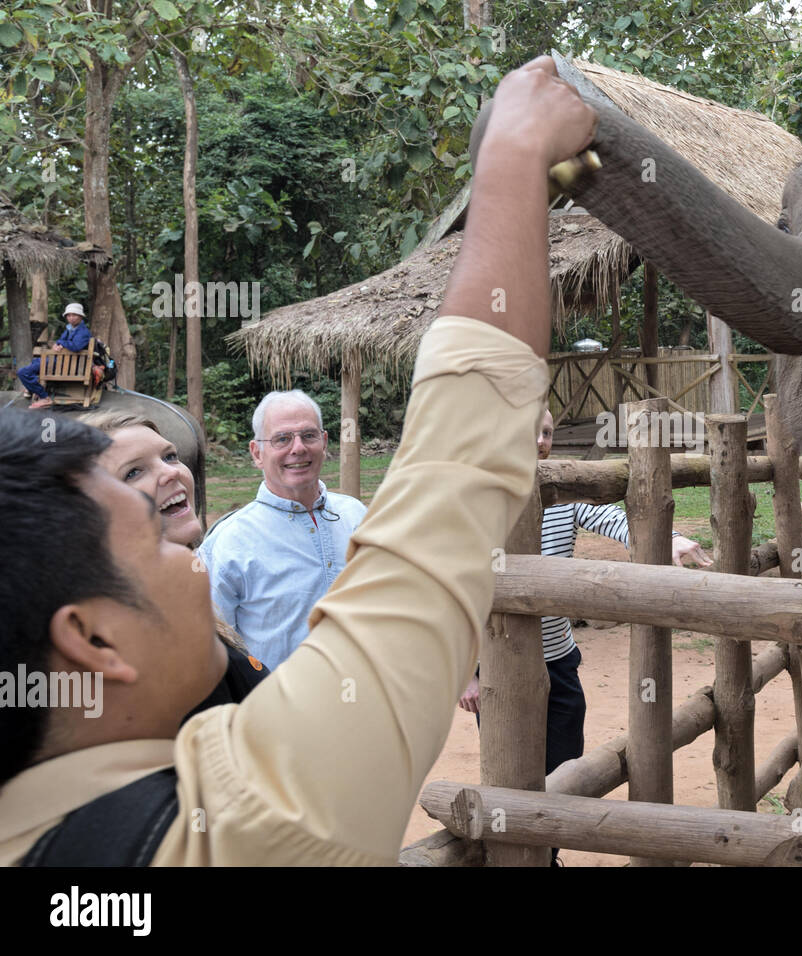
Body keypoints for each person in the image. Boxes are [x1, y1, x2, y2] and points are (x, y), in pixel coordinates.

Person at [0, 54, 594, 865]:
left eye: (308, 435)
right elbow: (440, 518)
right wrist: (516, 155)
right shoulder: (247, 821)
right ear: (95, 641)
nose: (197, 563)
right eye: (147, 526)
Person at [458, 408, 712, 787]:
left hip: (558, 660)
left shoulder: (562, 492)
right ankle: (518, 844)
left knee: (565, 769)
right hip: (495, 664)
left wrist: (670, 538)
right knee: (510, 771)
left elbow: (613, 518)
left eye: (546, 433)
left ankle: (551, 847)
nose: (540, 442)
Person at [87, 412, 266, 713]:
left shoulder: (179, 604)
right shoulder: (141, 643)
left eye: (170, 456)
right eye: (133, 472)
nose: (171, 473)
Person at [196, 390, 367, 670]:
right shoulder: (229, 543)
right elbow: (211, 651)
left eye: (308, 436)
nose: (298, 448)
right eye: (282, 439)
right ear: (257, 453)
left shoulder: (356, 516)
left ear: (324, 443)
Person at [16, 303, 90, 409]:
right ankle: (31, 388)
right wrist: (58, 344)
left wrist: (61, 343)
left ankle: (44, 398)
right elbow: (61, 341)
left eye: (74, 315)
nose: (71, 318)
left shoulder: (83, 332)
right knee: (35, 362)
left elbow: (76, 346)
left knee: (23, 372)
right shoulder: (69, 329)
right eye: (69, 315)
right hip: (59, 361)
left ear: (81, 316)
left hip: (66, 365)